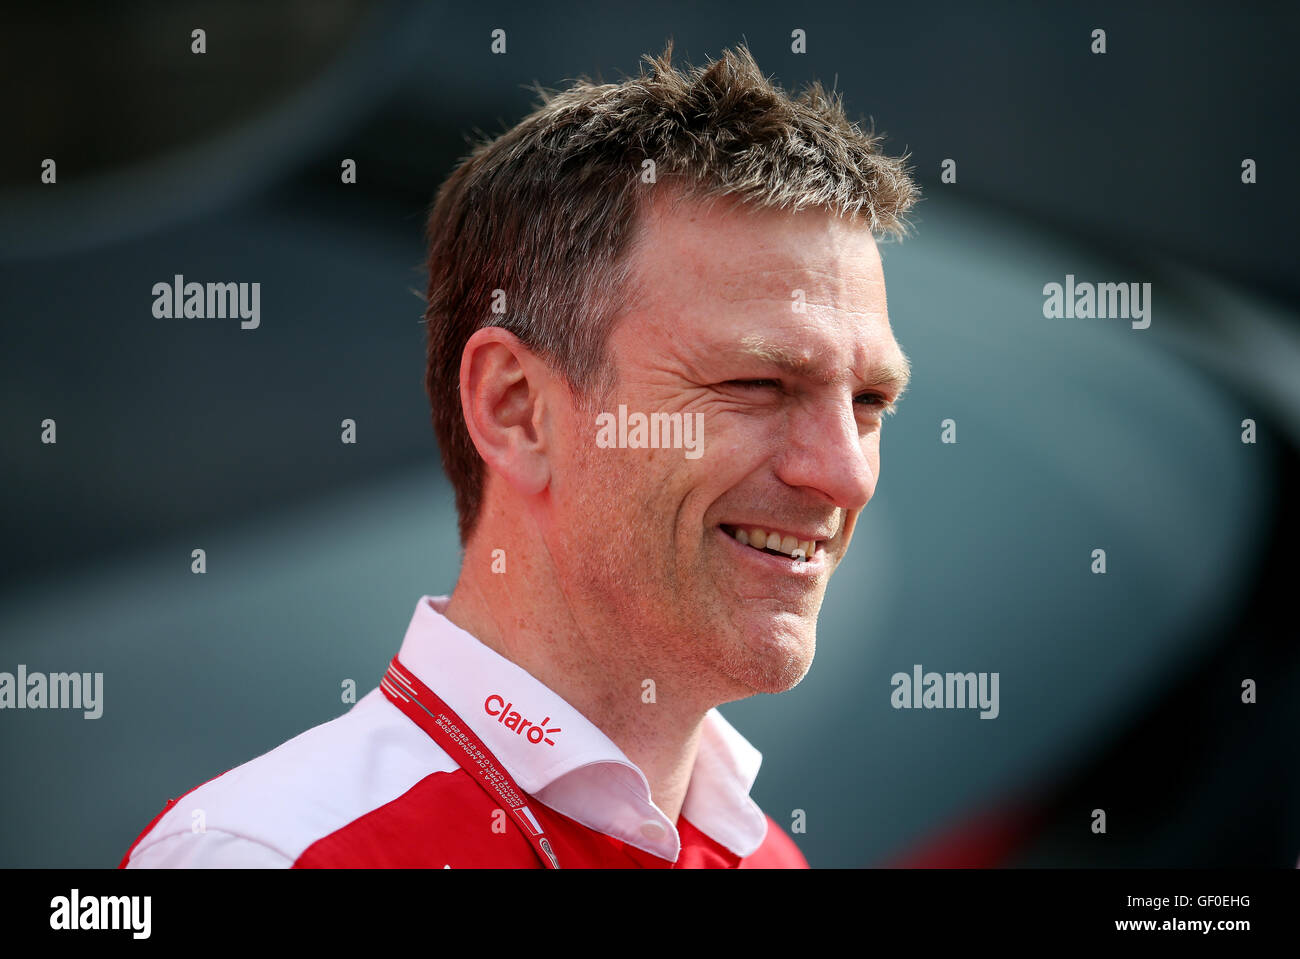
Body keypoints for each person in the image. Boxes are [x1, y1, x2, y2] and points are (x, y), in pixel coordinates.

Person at [120, 40, 918, 869]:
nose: (845, 472)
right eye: (757, 383)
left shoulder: (765, 857)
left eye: (870, 402)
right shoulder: (265, 854)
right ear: (516, 409)